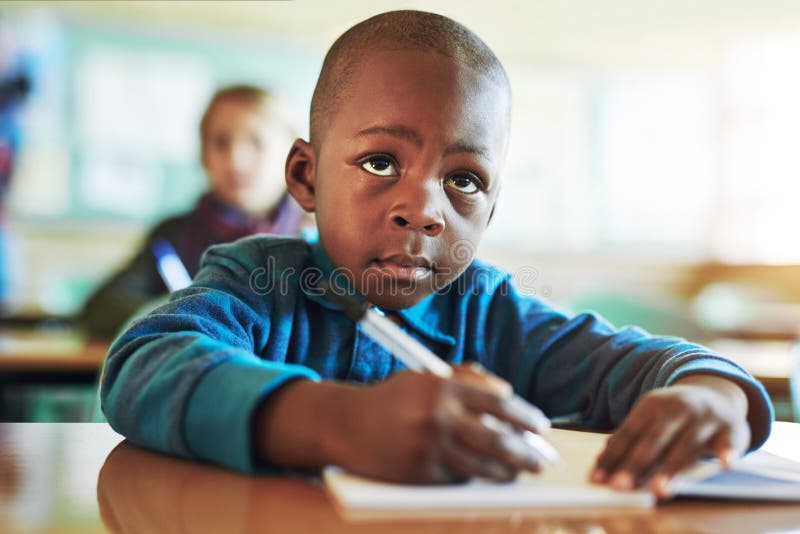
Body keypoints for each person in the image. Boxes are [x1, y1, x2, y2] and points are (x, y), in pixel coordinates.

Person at [101, 10, 772, 498]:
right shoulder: (258, 282)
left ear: (492, 209)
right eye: (380, 161)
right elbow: (139, 365)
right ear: (306, 178)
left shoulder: (491, 312)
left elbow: (633, 361)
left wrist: (712, 392)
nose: (423, 209)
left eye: (464, 180)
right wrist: (336, 423)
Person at [80, 85, 308, 337]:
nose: (236, 160)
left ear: (293, 155)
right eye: (220, 143)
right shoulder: (174, 235)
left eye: (256, 142)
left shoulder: (315, 235)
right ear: (203, 155)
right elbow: (100, 310)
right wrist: (192, 312)